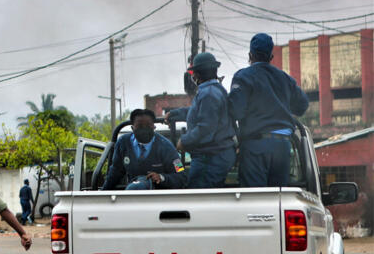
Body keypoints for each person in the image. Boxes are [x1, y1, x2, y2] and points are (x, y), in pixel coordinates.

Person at [228, 33, 309, 187]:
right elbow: (302, 106)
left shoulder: (243, 77)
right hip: (283, 148)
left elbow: (236, 111)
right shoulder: (286, 79)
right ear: (271, 56)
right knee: (278, 197)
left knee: (255, 198)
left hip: (255, 147)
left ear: (250, 55)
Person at [166, 52, 237, 188]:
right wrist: (174, 114)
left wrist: (184, 141)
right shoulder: (214, 90)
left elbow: (206, 127)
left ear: (196, 74)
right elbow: (198, 112)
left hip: (210, 157)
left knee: (198, 198)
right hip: (214, 155)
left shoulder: (208, 94)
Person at [102, 109, 187, 190]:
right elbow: (115, 171)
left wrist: (161, 177)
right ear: (132, 128)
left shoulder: (167, 147)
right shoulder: (123, 143)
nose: (144, 130)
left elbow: (181, 175)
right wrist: (103, 194)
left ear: (154, 127)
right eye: (140, 126)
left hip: (158, 196)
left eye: (148, 126)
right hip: (132, 192)